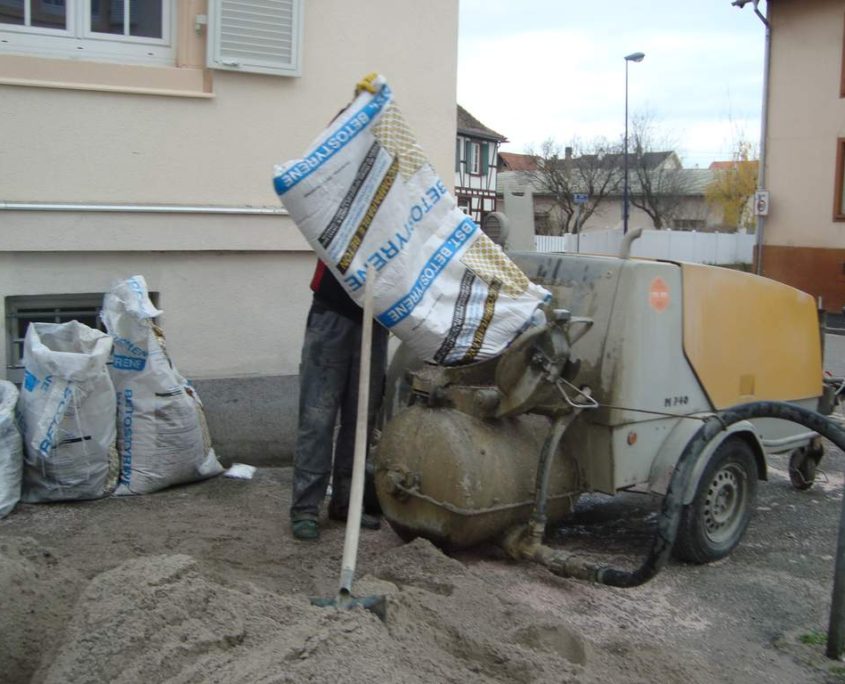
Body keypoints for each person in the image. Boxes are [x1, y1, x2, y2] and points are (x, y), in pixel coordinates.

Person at [290, 259, 389, 541]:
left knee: (361, 419)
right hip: (331, 313)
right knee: (317, 416)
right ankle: (306, 509)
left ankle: (347, 503)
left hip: (376, 319)